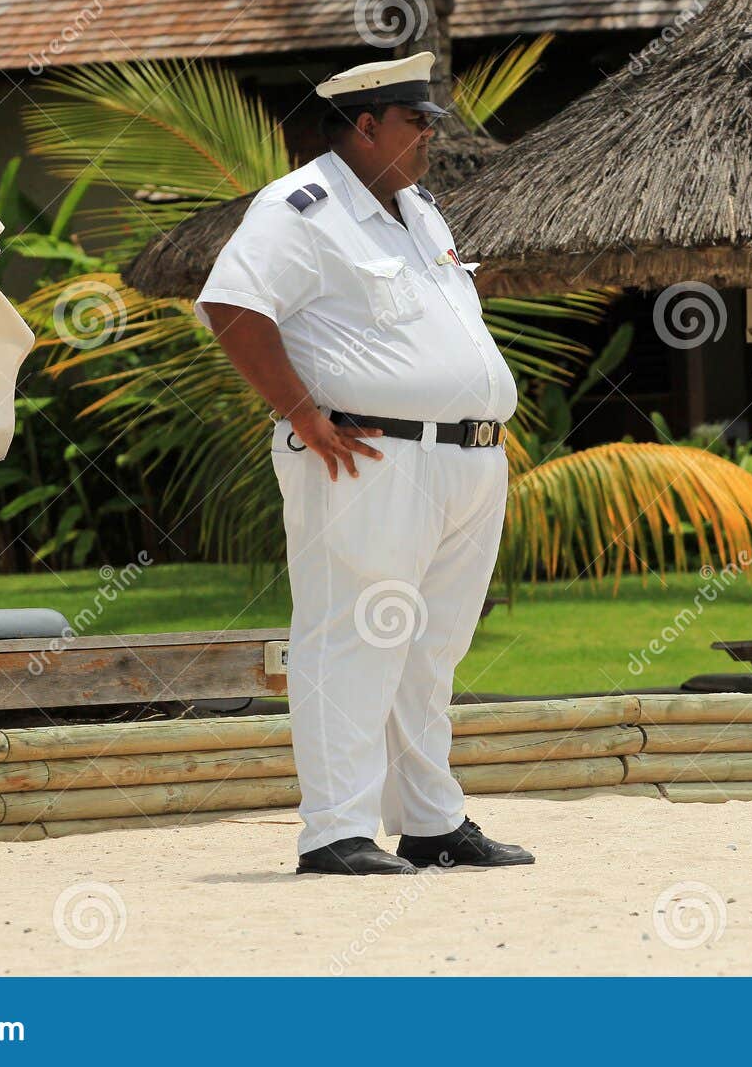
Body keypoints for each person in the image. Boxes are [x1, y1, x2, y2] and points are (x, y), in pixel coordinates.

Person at [193, 52, 533, 876]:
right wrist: (302, 413)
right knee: (352, 634)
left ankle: (429, 819)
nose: (429, 139)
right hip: (369, 455)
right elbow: (232, 306)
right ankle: (336, 831)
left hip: (466, 461)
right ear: (366, 123)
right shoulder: (300, 208)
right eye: (417, 122)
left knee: (431, 648)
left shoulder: (420, 213)